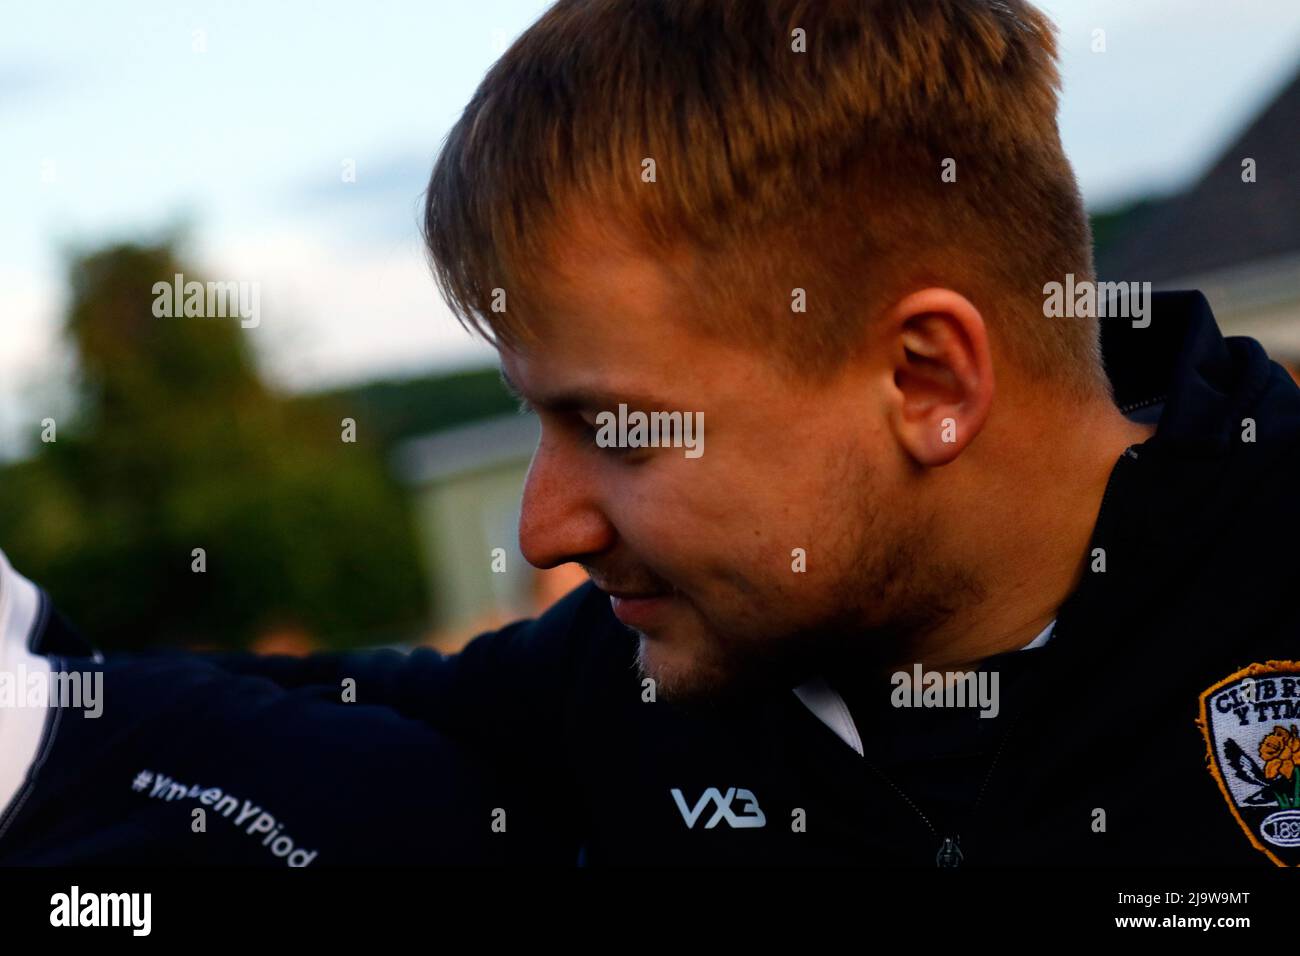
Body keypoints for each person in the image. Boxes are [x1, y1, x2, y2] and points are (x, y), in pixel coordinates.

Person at [5, 0, 1299, 866]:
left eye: (615, 428)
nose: (542, 526)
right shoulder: (633, 690)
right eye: (535, 421)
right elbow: (314, 730)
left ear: (927, 381)